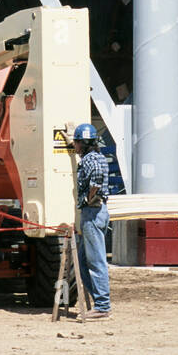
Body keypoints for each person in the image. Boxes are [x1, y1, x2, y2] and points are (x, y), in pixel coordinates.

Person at [73, 122, 111, 319]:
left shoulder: (90, 159)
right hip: (98, 212)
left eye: (76, 143)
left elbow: (95, 177)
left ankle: (102, 306)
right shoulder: (97, 156)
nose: (74, 147)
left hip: (92, 212)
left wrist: (90, 196)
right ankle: (99, 302)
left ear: (82, 143)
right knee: (82, 261)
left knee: (95, 261)